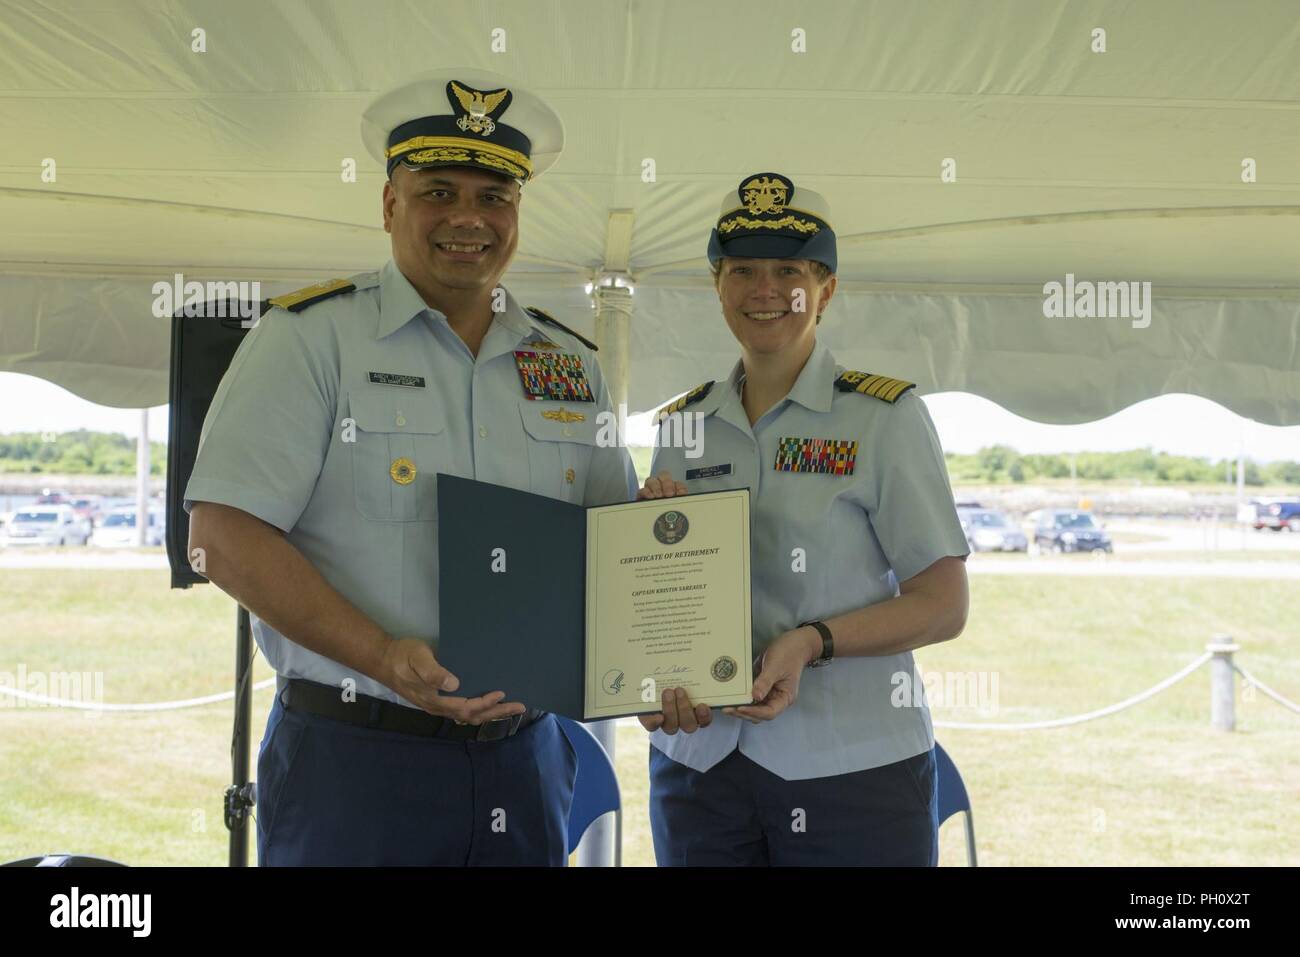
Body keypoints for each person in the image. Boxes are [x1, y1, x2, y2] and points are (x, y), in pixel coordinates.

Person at [184, 68, 636, 866]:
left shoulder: (570, 364)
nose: (468, 217)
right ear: (390, 203)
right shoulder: (308, 341)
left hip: (524, 760)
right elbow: (221, 535)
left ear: (518, 211)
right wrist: (384, 656)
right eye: (439, 191)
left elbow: (613, 545)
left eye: (494, 196)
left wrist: (667, 551)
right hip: (355, 760)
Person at [637, 172, 970, 866]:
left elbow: (942, 605)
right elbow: (664, 593)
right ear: (717, 284)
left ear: (826, 287)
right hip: (700, 766)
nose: (765, 290)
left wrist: (813, 640)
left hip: (852, 769)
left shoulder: (884, 419)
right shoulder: (683, 426)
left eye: (788, 269)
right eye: (742, 270)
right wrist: (648, 661)